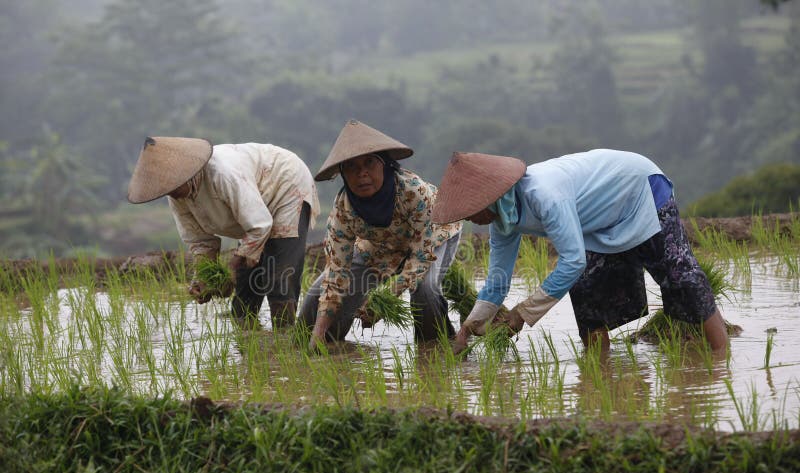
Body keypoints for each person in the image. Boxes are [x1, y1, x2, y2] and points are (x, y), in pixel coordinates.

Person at [430, 149, 729, 356]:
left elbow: (572, 261)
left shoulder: (544, 195)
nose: (468, 218)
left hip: (640, 190)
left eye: (470, 210)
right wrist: (469, 328)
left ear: (488, 197)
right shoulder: (503, 220)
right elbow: (497, 279)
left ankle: (721, 360)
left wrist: (522, 314)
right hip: (599, 219)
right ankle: (600, 372)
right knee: (588, 292)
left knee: (680, 277)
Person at [299, 120, 462, 348]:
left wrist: (381, 301)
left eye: (369, 164)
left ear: (385, 165)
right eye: (352, 168)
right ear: (343, 175)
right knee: (314, 299)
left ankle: (434, 350)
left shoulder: (415, 192)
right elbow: (337, 273)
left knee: (424, 290)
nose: (362, 174)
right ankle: (319, 346)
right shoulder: (343, 209)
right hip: (381, 245)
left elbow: (420, 257)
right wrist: (319, 331)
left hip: (432, 237)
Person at [127, 137, 319, 328]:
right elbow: (201, 242)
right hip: (255, 210)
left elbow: (259, 225)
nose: (172, 194)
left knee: (279, 277)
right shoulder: (177, 195)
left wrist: (231, 267)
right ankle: (245, 335)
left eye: (174, 187)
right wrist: (203, 279)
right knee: (245, 283)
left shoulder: (222, 174)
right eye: (166, 190)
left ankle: (284, 334)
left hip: (285, 182)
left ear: (186, 174)